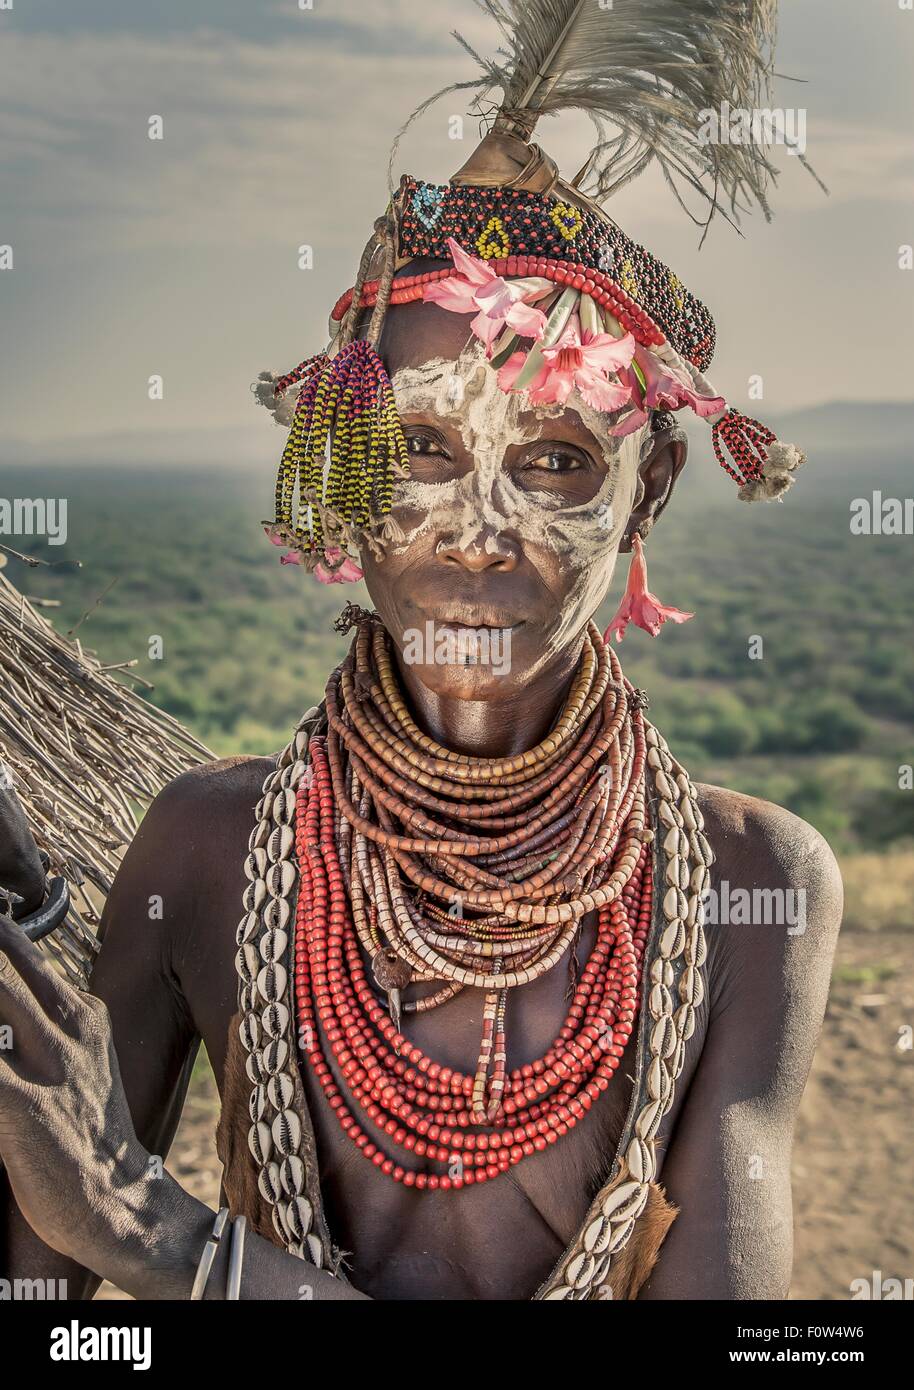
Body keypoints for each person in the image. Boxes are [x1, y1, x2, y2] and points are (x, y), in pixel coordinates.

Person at [0, 1, 841, 1301]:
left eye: (556, 457)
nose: (477, 535)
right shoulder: (209, 852)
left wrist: (164, 1241)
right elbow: (54, 1328)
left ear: (650, 485)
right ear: (338, 463)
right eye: (418, 452)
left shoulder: (747, 885)